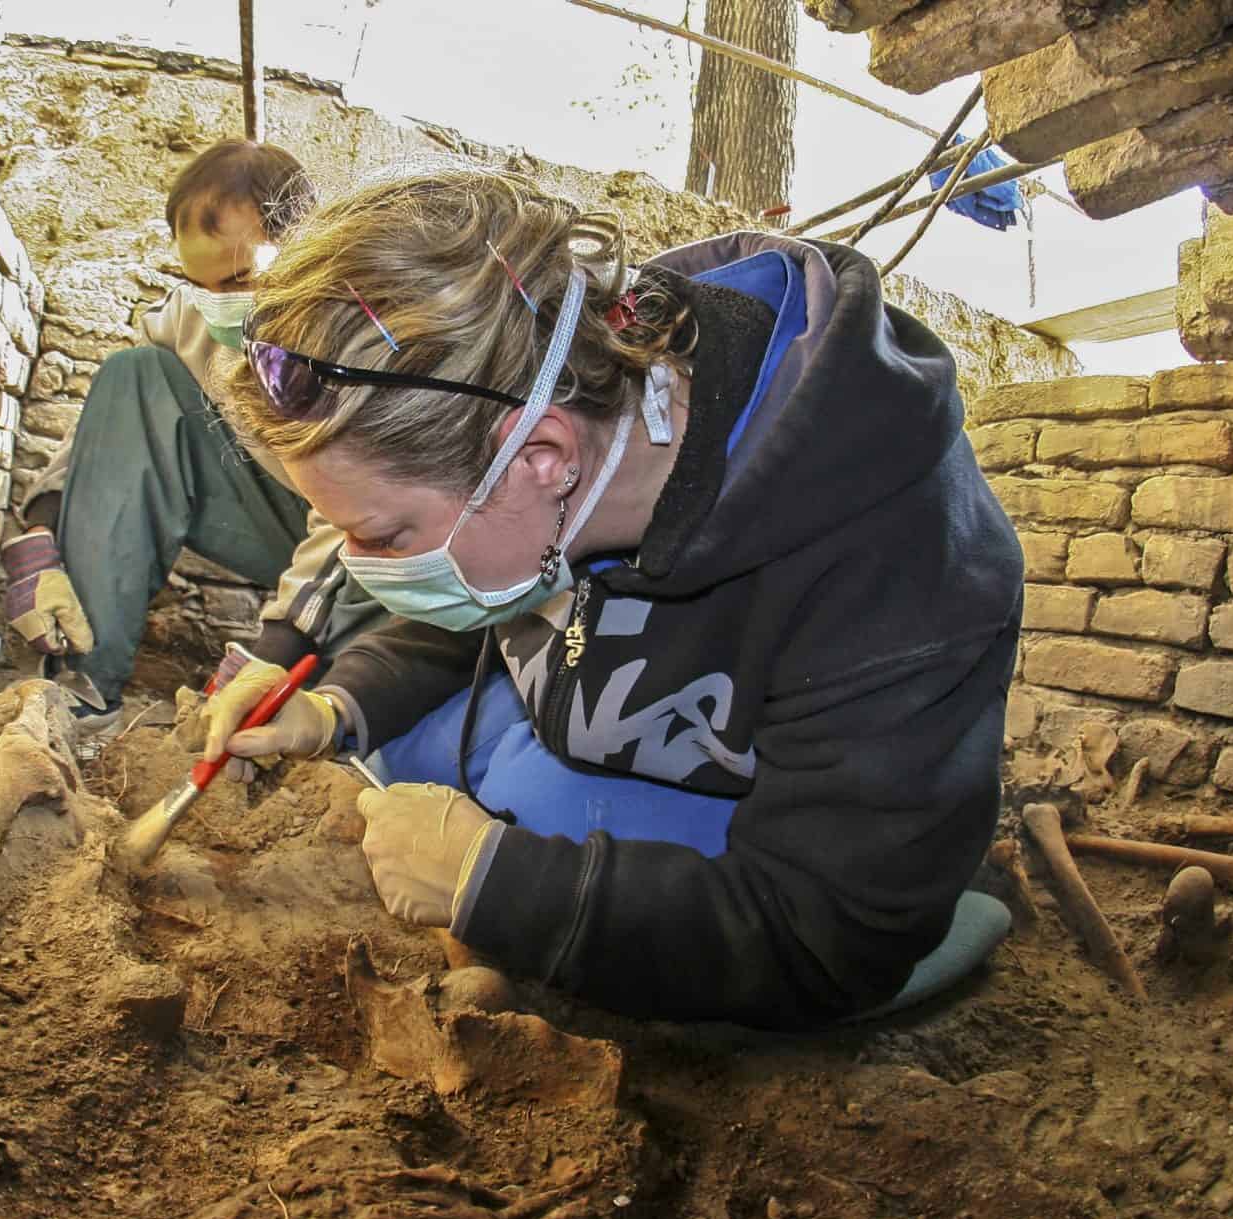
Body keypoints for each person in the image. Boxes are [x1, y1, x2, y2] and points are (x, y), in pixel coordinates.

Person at [200, 168, 1019, 1030]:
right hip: (584, 719)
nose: (363, 566)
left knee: (533, 810)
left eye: (387, 537)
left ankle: (952, 908)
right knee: (403, 758)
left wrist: (500, 883)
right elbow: (480, 606)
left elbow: (831, 931)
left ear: (543, 455)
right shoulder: (569, 382)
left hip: (812, 858)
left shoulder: (891, 554)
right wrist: (335, 705)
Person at [1, 140, 386, 726]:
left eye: (237, 280)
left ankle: (340, 673)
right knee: (133, 371)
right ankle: (83, 680)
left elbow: (355, 517)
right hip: (273, 524)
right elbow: (114, 418)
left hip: (371, 554)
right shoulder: (193, 312)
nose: (218, 305)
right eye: (201, 283)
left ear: (305, 242)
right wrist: (40, 531)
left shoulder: (357, 337)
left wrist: (275, 649)